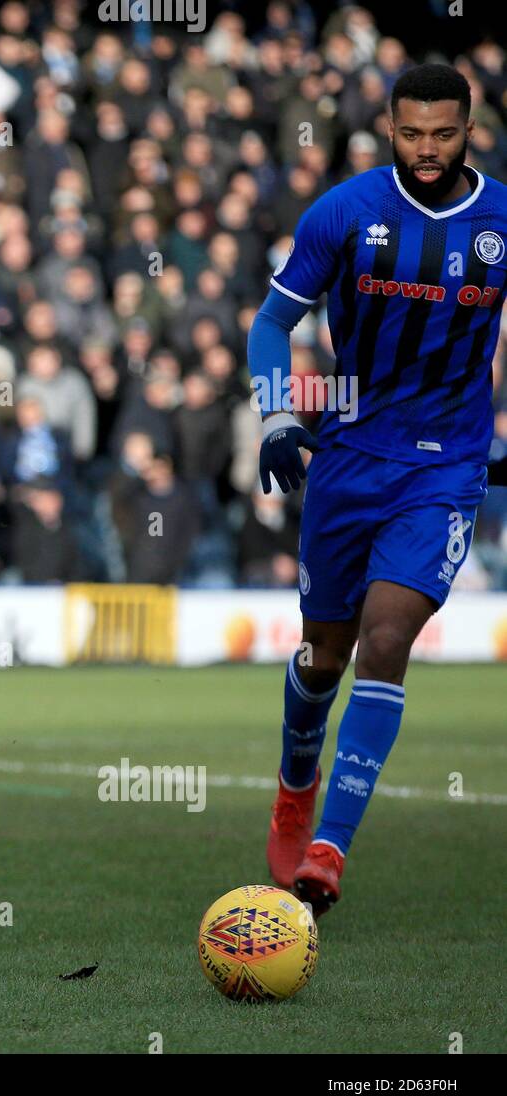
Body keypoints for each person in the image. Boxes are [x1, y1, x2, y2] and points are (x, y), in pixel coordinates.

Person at [249, 65, 507, 914]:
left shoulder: (501, 218)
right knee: (324, 655)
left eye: (443, 133)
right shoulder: (346, 212)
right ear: (387, 129)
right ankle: (296, 786)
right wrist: (279, 417)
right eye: (411, 134)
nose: (427, 150)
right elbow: (270, 323)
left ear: (471, 128)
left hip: (445, 466)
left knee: (387, 636)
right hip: (350, 454)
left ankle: (329, 849)